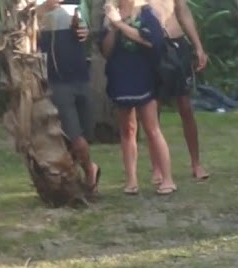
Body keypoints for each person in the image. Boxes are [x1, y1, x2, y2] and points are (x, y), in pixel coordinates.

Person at [100, 0, 176, 195]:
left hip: (144, 75)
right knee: (127, 129)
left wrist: (120, 24)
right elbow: (106, 51)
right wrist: (112, 27)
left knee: (152, 128)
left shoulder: (146, 13)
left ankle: (167, 178)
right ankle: (131, 179)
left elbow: (152, 41)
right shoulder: (111, 13)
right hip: (120, 75)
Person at [37, 0, 100, 195]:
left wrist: (85, 32)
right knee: (76, 137)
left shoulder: (77, 3)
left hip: (81, 74)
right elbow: (28, 30)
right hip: (58, 80)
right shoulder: (37, 4)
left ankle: (71, 180)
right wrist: (46, 6)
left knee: (84, 135)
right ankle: (90, 170)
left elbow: (84, 29)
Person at [146, 0, 209, 182]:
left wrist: (198, 46)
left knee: (185, 106)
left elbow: (182, 10)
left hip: (176, 43)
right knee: (152, 107)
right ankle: (157, 167)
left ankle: (196, 163)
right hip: (151, 45)